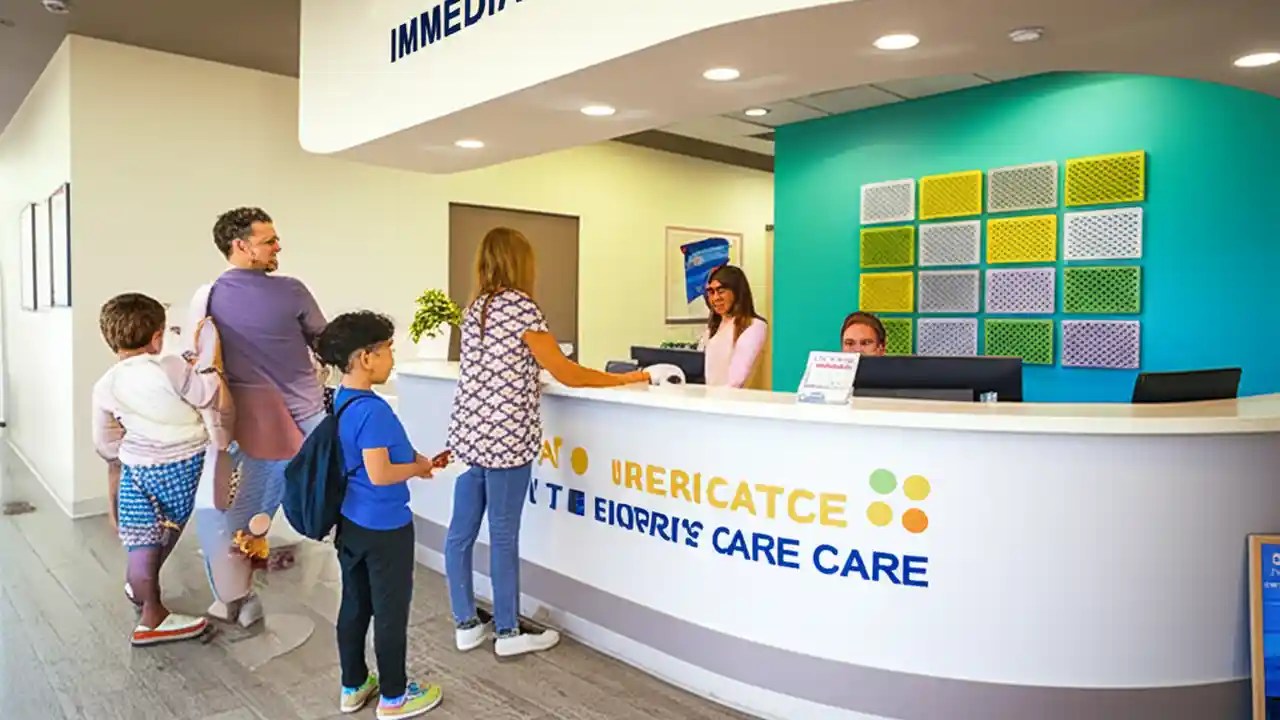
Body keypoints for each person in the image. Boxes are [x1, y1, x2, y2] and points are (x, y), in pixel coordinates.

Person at [445, 227, 649, 658]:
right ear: (520, 262)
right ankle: (507, 633)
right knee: (503, 535)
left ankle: (466, 622)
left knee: (460, 532)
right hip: (506, 439)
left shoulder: (475, 308)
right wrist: (623, 378)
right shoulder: (520, 306)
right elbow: (566, 372)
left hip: (474, 435)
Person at [190, 207, 328, 627]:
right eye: (269, 240)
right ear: (241, 246)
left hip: (245, 424)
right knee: (334, 501)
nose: (277, 246)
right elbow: (325, 341)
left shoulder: (208, 296)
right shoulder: (292, 290)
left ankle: (236, 598)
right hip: (305, 419)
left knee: (235, 512)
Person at [315, 311, 446, 719]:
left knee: (355, 604)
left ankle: (353, 685)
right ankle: (394, 696)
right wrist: (419, 468)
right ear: (366, 357)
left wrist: (416, 462)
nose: (392, 357)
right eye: (388, 349)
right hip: (385, 526)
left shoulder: (340, 400)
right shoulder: (373, 411)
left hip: (351, 522)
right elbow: (381, 472)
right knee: (390, 610)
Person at [92, 293, 226, 646]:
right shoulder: (169, 367)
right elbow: (204, 396)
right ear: (157, 337)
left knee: (141, 537)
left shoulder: (105, 385)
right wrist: (206, 369)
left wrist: (130, 449)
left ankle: (141, 592)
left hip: (136, 467)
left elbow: (104, 442)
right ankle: (153, 617)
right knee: (164, 533)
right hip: (181, 465)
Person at [699, 264, 768, 388]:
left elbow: (737, 380)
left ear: (737, 292)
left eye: (721, 291)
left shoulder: (754, 326)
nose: (716, 298)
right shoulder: (713, 329)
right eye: (711, 292)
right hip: (711, 402)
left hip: (734, 403)